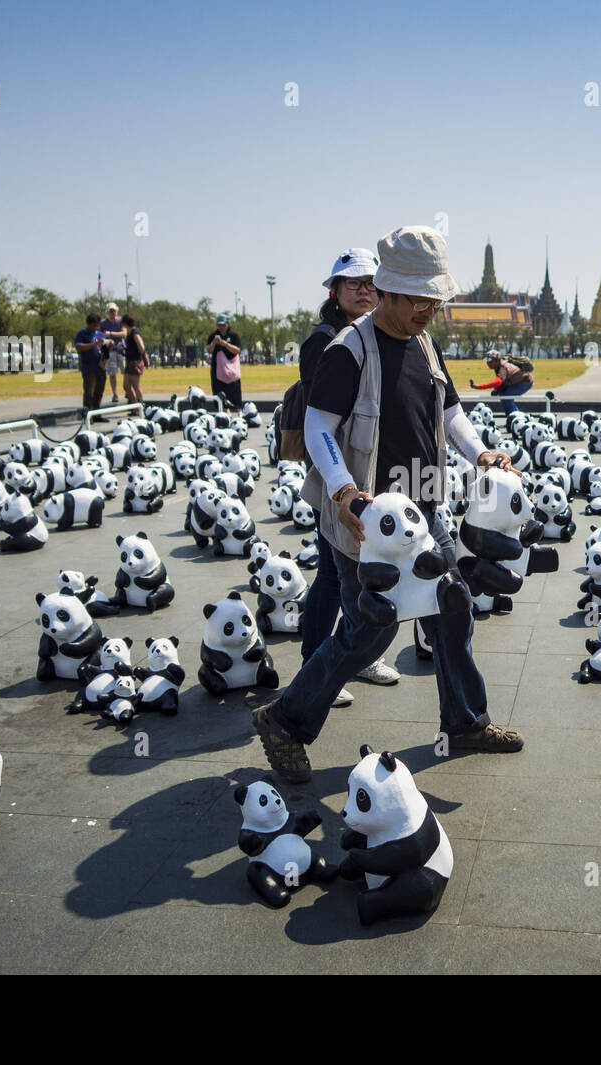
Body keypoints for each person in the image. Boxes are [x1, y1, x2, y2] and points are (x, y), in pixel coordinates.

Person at [252, 225, 525, 785]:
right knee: (368, 633)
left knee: (453, 610)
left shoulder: (425, 342)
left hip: (427, 509)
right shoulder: (348, 351)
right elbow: (318, 427)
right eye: (419, 299)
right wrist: (344, 490)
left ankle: (466, 721)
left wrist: (481, 457)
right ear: (388, 291)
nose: (429, 309)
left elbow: (450, 413)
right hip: (368, 520)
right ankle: (284, 720)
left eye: (435, 299)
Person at [297, 248, 400, 705]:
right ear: (335, 291)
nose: (364, 291)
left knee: (357, 571)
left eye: (370, 283)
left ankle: (354, 655)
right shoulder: (326, 342)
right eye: (353, 284)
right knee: (332, 574)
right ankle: (316, 663)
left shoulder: (378, 334)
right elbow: (324, 418)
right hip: (337, 476)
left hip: (371, 472)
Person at [469, 348, 534, 416]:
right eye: (487, 361)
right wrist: (497, 389)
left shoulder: (502, 368)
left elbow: (498, 382)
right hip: (517, 380)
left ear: (498, 360)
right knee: (503, 395)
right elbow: (503, 382)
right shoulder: (499, 365)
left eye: (490, 361)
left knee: (506, 397)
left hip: (525, 382)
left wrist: (478, 387)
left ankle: (515, 417)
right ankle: (515, 415)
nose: (488, 364)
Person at [207, 314, 243, 409]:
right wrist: (214, 343)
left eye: (223, 325)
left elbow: (237, 350)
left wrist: (225, 344)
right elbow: (208, 350)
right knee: (219, 391)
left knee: (234, 391)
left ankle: (239, 409)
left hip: (232, 369)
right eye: (219, 325)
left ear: (228, 324)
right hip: (218, 370)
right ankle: (224, 411)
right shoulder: (213, 336)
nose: (221, 327)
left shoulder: (233, 336)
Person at [75, 313, 107, 412]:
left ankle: (97, 414)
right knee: (89, 392)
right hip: (89, 367)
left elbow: (104, 349)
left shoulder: (99, 334)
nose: (96, 327)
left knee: (99, 391)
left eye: (98, 325)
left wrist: (108, 347)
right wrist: (94, 344)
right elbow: (79, 347)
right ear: (88, 324)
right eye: (94, 325)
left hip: (100, 367)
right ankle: (88, 414)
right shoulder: (81, 334)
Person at [99, 303, 125, 403]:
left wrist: (110, 333)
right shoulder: (103, 323)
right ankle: (115, 394)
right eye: (110, 311)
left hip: (121, 350)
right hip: (110, 351)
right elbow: (100, 337)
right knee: (112, 373)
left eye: (114, 310)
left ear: (117, 311)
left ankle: (127, 390)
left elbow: (124, 333)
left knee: (125, 371)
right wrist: (108, 342)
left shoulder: (121, 321)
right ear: (107, 312)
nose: (113, 312)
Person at [120, 314, 146, 403]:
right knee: (126, 386)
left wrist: (136, 354)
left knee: (136, 386)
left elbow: (141, 347)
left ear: (125, 323)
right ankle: (134, 405)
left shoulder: (135, 332)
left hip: (135, 362)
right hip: (129, 362)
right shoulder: (130, 333)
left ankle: (141, 406)